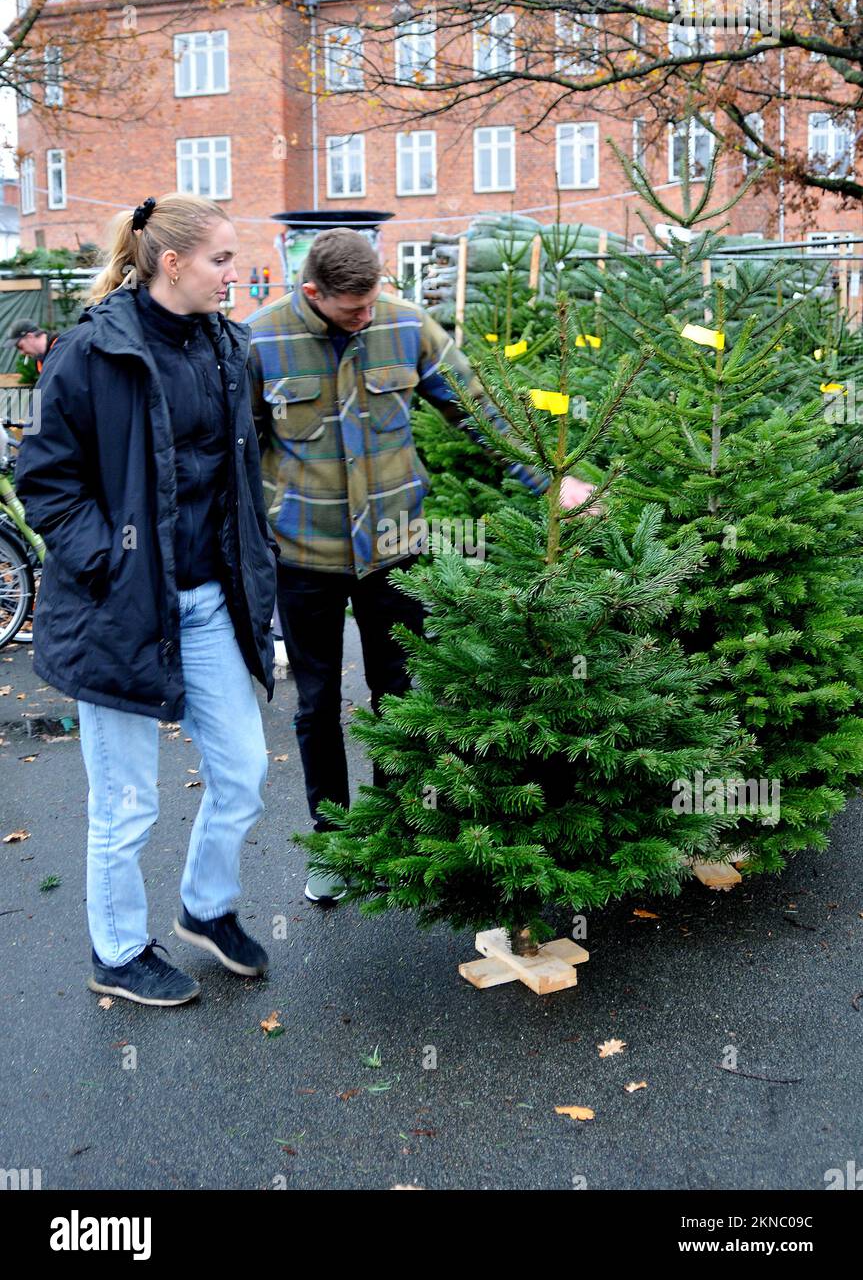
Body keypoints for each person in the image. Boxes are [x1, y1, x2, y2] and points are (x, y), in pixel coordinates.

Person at [246, 226, 598, 904]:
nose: (367, 316)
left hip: (395, 547)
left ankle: (399, 835)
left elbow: (478, 410)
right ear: (313, 293)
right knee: (316, 704)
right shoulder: (258, 340)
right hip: (301, 557)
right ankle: (334, 846)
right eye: (352, 310)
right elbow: (231, 447)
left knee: (399, 692)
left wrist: (550, 478)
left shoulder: (406, 324)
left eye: (373, 300)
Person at [15, 193, 279, 1007]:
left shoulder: (226, 347)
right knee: (127, 800)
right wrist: (110, 562)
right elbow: (46, 480)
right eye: (222, 260)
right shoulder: (94, 351)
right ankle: (118, 951)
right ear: (172, 263)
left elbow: (241, 467)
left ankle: (205, 907)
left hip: (209, 604)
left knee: (242, 770)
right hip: (119, 609)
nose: (235, 274)